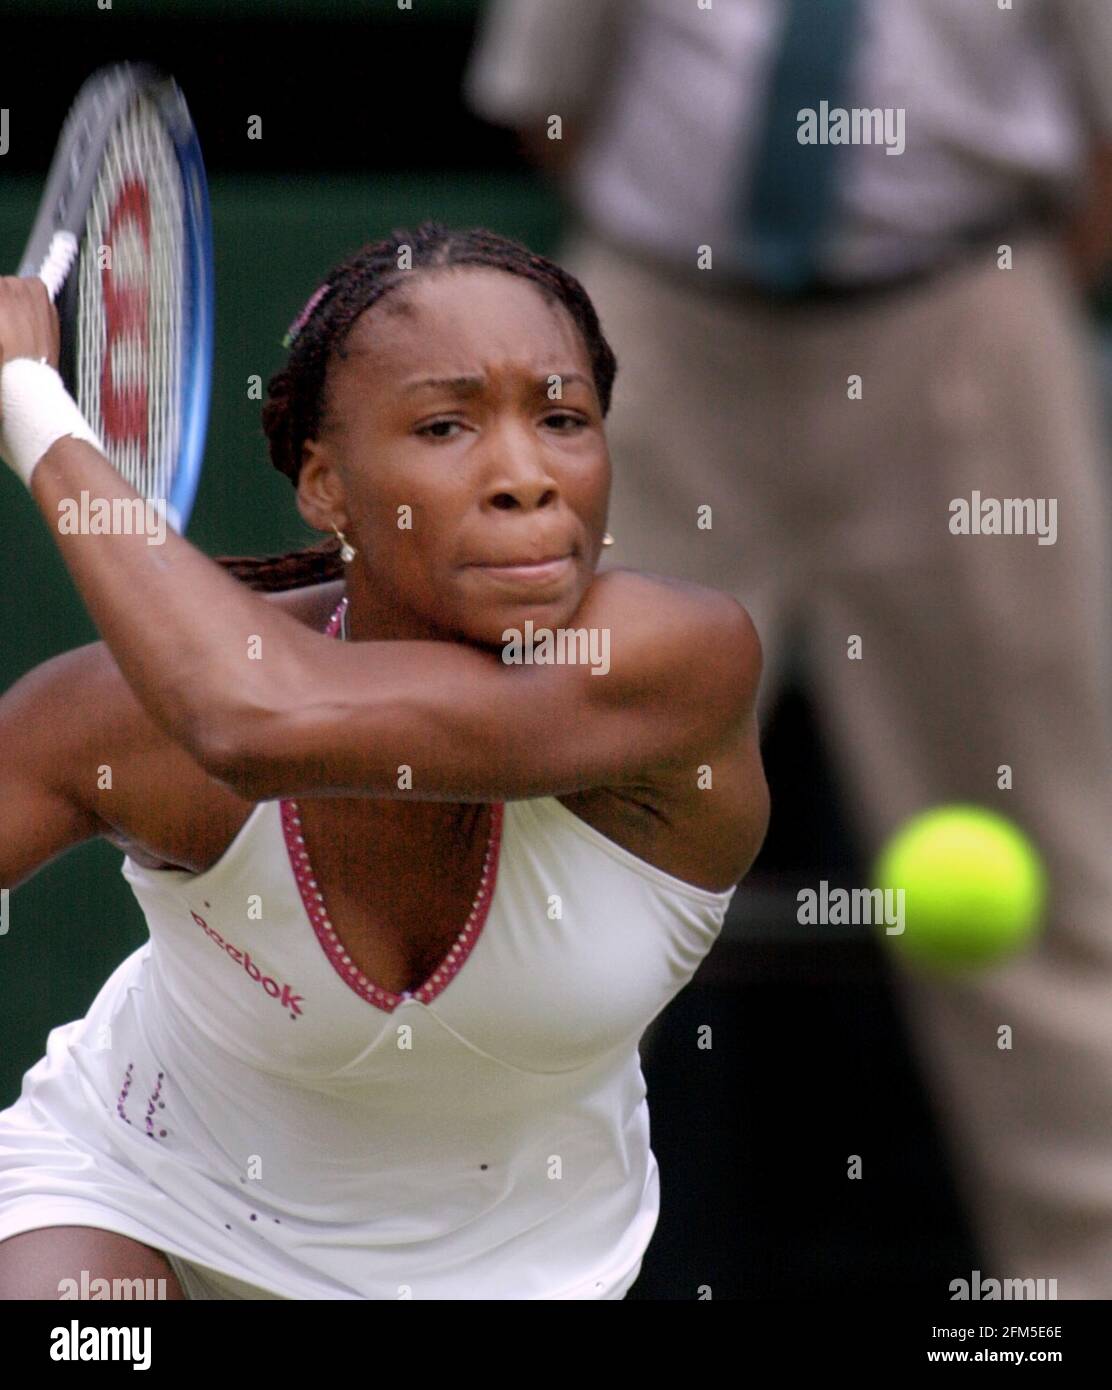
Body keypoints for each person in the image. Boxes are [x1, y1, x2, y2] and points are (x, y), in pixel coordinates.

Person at [464, 0, 1112, 1295]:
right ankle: (469, 1256)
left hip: (966, 323)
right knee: (527, 842)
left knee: (1055, 856)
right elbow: (550, 106)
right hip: (657, 332)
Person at [0, 223, 768, 1300]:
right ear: (325, 485)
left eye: (562, 418)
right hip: (131, 1199)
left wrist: (30, 403)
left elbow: (253, 721)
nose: (524, 477)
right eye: (446, 425)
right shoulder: (117, 722)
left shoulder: (676, 664)